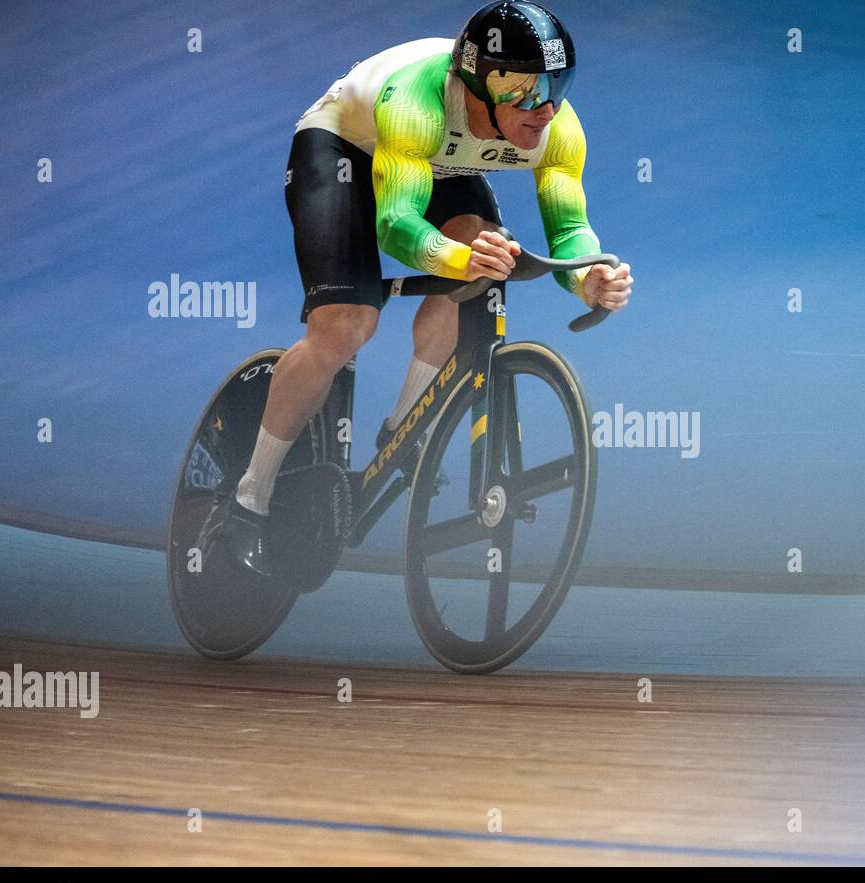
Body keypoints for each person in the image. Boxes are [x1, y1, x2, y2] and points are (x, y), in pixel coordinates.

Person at [225, 1, 632, 576]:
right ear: (473, 84)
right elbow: (395, 224)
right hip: (344, 150)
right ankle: (250, 497)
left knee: (482, 252)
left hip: (439, 161)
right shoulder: (419, 102)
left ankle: (403, 428)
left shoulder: (557, 127)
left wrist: (586, 279)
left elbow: (568, 232)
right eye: (521, 88)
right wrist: (455, 258)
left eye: (555, 86)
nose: (542, 107)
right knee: (347, 324)